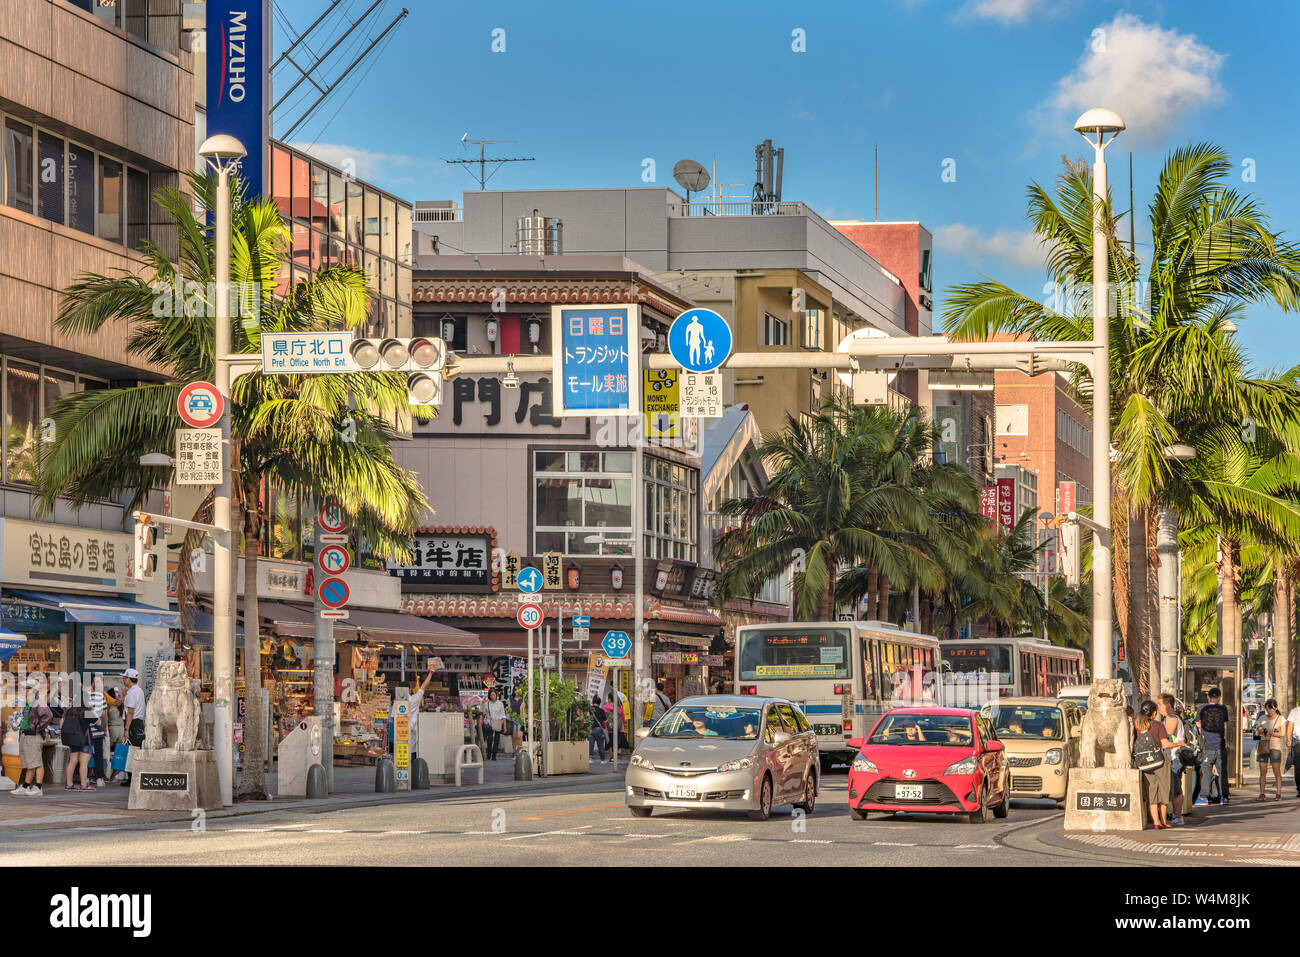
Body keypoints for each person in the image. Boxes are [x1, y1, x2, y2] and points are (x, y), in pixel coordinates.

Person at [13, 677, 52, 797]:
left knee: (36, 762)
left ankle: (38, 787)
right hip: (26, 734)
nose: (24, 690)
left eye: (27, 688)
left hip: (32, 735)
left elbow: (48, 715)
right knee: (30, 762)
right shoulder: (28, 702)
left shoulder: (38, 702)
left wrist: (37, 728)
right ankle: (25, 786)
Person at [1133, 709, 1171, 829]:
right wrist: (1180, 743)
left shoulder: (1136, 729)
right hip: (1159, 761)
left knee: (1151, 792)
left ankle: (1156, 822)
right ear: (1152, 714)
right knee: (1164, 790)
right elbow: (1165, 744)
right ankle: (1164, 821)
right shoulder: (1157, 726)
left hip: (1145, 764)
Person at [1195, 687, 1231, 805]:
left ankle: (1204, 797)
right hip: (1220, 745)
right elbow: (1224, 724)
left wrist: (1202, 732)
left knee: (1206, 771)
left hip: (1207, 746)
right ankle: (1223, 797)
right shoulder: (1223, 709)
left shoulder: (1201, 708)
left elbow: (1197, 723)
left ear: (1208, 696)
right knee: (1222, 772)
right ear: (1219, 697)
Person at [1157, 693, 1187, 826]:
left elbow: (1166, 737)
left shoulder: (1171, 718)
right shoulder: (1169, 718)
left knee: (1176, 788)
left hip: (1174, 757)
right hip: (1173, 756)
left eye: (1160, 704)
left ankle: (1178, 816)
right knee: (1174, 786)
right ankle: (1176, 815)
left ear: (1168, 705)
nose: (1158, 707)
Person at [119, 668, 147, 786]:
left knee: (132, 751)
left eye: (125, 678)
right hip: (139, 723)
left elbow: (130, 712)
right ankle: (135, 777)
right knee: (137, 750)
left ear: (129, 679)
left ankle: (132, 779)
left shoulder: (132, 692)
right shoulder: (139, 691)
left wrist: (126, 729)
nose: (123, 680)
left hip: (133, 724)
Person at [1256, 699, 1287, 801]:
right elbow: (1255, 734)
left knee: (1276, 771)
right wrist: (1259, 731)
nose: (1269, 711)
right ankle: (1262, 793)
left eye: (1271, 709)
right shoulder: (1262, 718)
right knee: (1262, 771)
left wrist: (1271, 733)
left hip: (1275, 747)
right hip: (1263, 746)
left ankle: (1278, 793)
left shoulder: (1280, 719)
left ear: (1276, 708)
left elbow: (1282, 734)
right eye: (1268, 709)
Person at [60, 701, 94, 791]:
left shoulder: (70, 711)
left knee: (72, 762)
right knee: (83, 763)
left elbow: (61, 724)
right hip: (85, 740)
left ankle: (69, 784)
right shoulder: (87, 712)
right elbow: (99, 723)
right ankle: (83, 785)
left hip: (73, 739)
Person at [86, 678, 108, 787]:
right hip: (98, 731)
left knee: (85, 754)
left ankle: (85, 777)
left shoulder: (80, 696)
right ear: (93, 683)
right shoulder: (100, 696)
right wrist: (105, 728)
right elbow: (104, 714)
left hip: (85, 731)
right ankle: (99, 778)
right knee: (98, 754)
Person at [103, 688, 125, 782]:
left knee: (107, 751)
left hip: (113, 729)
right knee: (119, 752)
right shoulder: (122, 706)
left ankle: (111, 768)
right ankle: (115, 773)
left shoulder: (111, 706)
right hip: (121, 729)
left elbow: (105, 715)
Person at [482, 688, 506, 761]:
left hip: (498, 723)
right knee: (490, 740)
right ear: (489, 695)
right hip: (489, 724)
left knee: (496, 740)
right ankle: (489, 754)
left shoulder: (500, 704)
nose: (492, 696)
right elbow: (483, 714)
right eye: (491, 695)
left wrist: (504, 726)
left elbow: (503, 715)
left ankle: (494, 756)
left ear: (496, 695)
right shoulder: (486, 704)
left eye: (494, 695)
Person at [587, 695, 607, 763]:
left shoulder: (590, 710)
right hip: (599, 729)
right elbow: (605, 721)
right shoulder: (601, 711)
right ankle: (602, 760)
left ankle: (590, 759)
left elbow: (587, 718)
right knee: (600, 744)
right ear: (599, 702)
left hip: (591, 729)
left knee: (591, 744)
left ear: (593, 701)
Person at [1287, 699, 1300, 798]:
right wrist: (1288, 739)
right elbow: (1290, 727)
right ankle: (1299, 788)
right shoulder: (1294, 711)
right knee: (1298, 766)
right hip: (1297, 742)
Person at [508, 688, 525, 754]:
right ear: (513, 691)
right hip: (513, 719)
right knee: (514, 737)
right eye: (515, 689)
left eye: (518, 689)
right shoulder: (511, 700)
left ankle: (519, 752)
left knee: (519, 736)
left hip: (520, 719)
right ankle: (515, 753)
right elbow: (509, 710)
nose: (517, 691)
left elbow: (524, 710)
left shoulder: (522, 700)